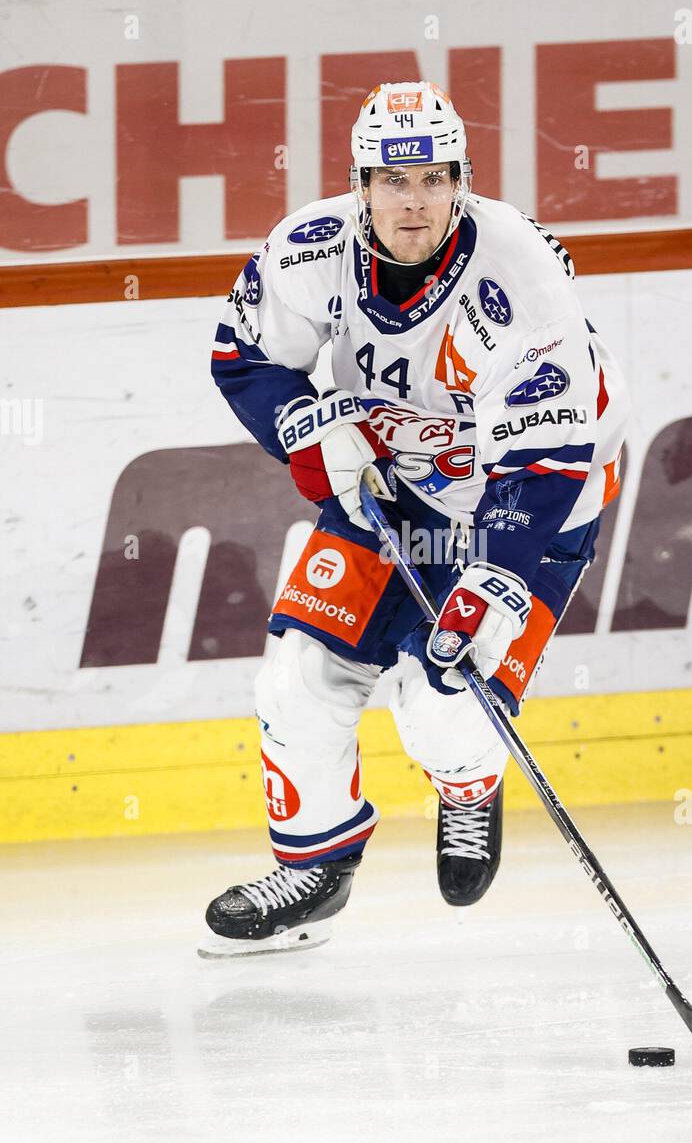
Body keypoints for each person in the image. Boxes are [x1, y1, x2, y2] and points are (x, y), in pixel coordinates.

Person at [201, 80, 629, 956]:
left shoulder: (519, 270)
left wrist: (498, 580)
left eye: (433, 180)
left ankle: (469, 788)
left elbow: (548, 454)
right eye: (393, 183)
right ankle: (315, 870)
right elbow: (243, 354)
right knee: (296, 678)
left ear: (460, 180)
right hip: (394, 488)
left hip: (530, 504)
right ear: (360, 184)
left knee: (441, 702)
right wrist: (304, 427)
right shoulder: (309, 249)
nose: (413, 202)